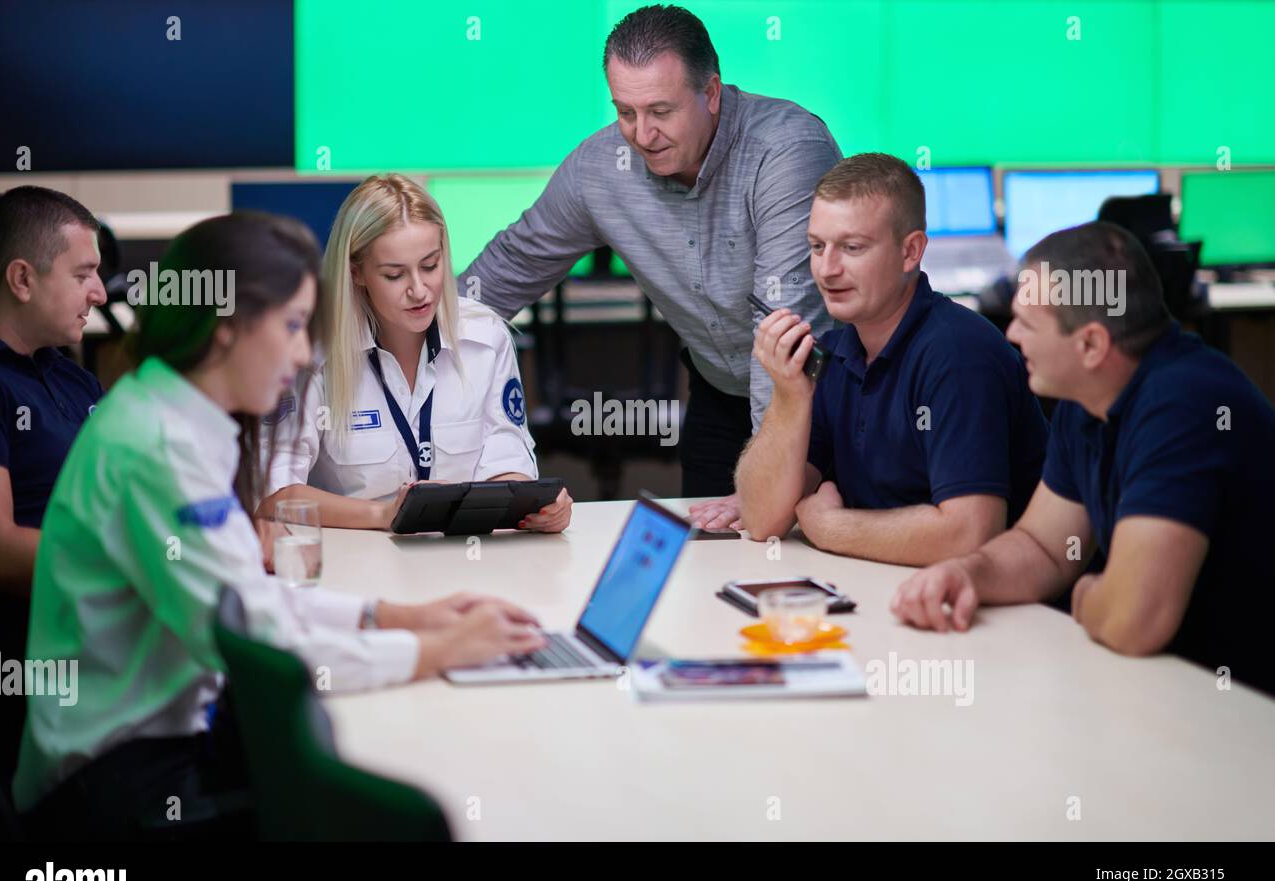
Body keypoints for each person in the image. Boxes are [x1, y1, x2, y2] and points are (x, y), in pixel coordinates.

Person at [13, 212, 546, 839]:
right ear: (224, 332)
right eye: (292, 327)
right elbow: (265, 646)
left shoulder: (176, 415)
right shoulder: (157, 448)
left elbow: (252, 601)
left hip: (160, 746)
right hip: (115, 789)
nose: (301, 354)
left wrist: (403, 617)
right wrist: (437, 651)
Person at [458, 4, 840, 525]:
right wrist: (393, 337)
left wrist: (768, 485)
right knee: (702, 567)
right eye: (625, 112)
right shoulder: (601, 168)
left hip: (820, 400)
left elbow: (786, 334)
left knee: (802, 563)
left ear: (710, 93)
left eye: (661, 112)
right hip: (718, 396)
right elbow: (507, 269)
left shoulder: (785, 151)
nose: (641, 135)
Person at [890, 221, 1275, 696]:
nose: (1011, 335)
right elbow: (1043, 547)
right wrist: (965, 573)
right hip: (1166, 686)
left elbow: (1134, 620)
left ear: (1091, 344)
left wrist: (1086, 594)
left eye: (1027, 324)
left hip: (1245, 712)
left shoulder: (1184, 405)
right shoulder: (1086, 399)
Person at [737, 153, 1049, 565]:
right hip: (888, 591)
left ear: (910, 252)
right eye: (816, 246)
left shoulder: (957, 355)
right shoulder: (835, 353)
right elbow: (761, 519)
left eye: (851, 247)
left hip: (1001, 614)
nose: (827, 270)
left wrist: (831, 527)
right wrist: (788, 394)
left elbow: (971, 534)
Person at [258, 173, 571, 533]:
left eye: (430, 265)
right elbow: (273, 495)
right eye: (395, 275)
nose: (420, 291)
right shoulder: (309, 354)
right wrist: (381, 515)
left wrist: (534, 508)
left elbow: (508, 461)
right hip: (355, 565)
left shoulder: (485, 338)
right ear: (356, 273)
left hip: (464, 559)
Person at [0, 186, 105, 796]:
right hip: (27, 677)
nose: (101, 293)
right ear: (22, 278)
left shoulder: (74, 380)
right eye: (85, 273)